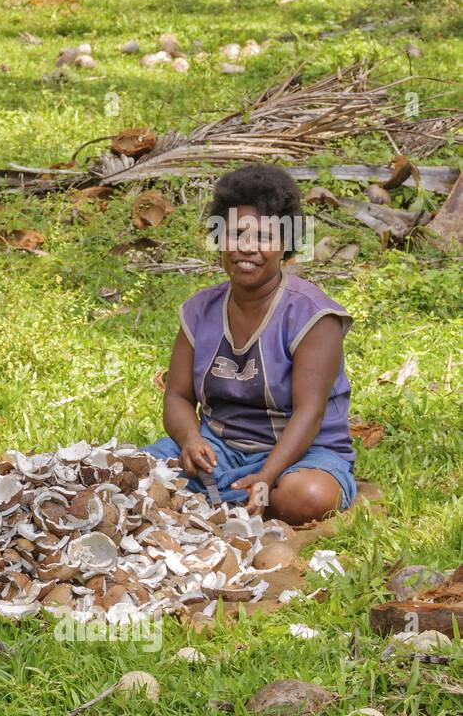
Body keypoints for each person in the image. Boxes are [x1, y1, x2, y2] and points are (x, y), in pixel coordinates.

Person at [145, 164, 357, 524]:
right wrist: (190, 439)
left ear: (285, 246)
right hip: (220, 450)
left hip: (302, 455)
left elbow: (310, 413)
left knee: (305, 498)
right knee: (137, 475)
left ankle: (230, 501)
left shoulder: (312, 316)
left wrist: (267, 476)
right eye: (236, 234)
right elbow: (178, 396)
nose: (248, 248)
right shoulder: (199, 311)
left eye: (264, 237)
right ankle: (231, 501)